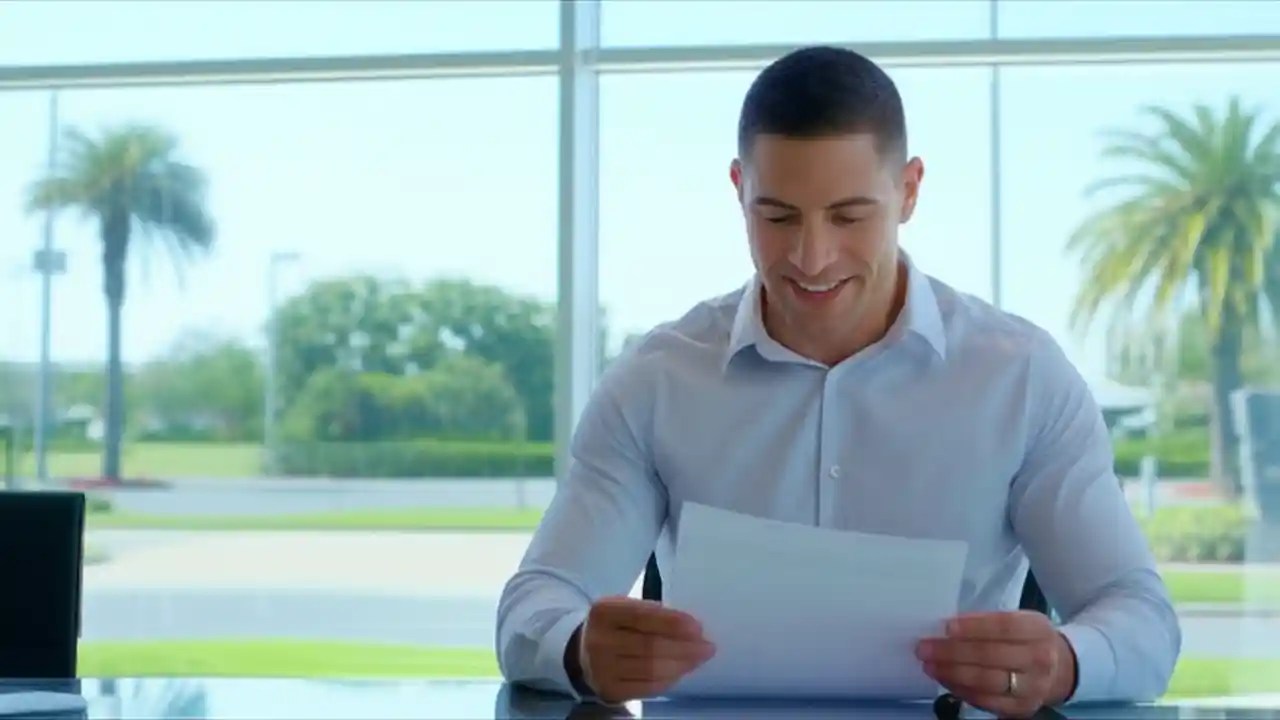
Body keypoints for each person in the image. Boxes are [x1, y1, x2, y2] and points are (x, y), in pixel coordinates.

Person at [495, 45, 1181, 718]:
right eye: (778, 216)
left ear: (908, 191)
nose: (811, 257)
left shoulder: (1022, 378)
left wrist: (1063, 663)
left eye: (850, 217)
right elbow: (536, 604)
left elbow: (1143, 621)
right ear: (739, 190)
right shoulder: (656, 381)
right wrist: (580, 650)